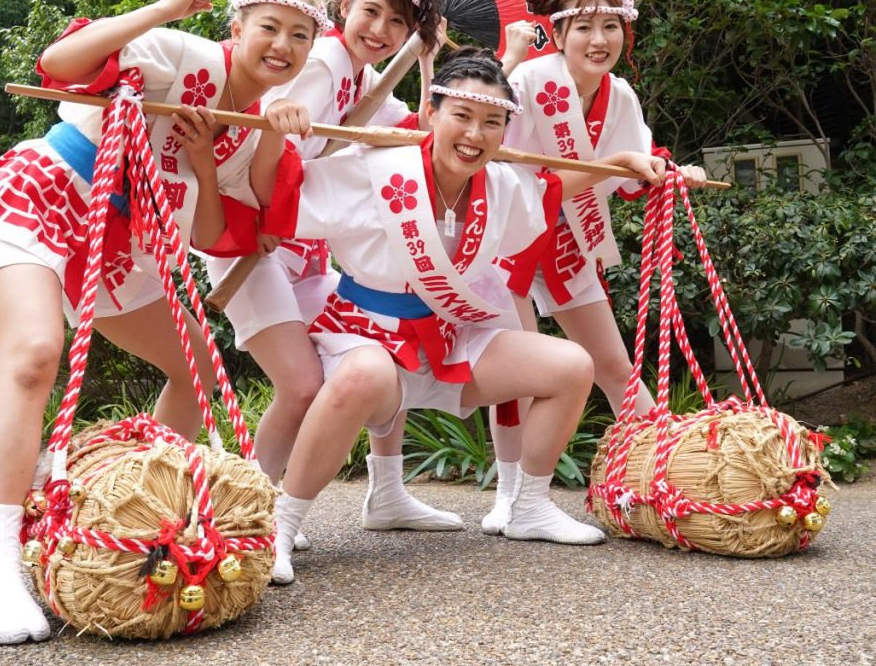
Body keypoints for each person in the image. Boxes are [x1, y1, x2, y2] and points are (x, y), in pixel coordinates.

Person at [0, 0, 332, 644]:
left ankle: (146, 512)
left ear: (313, 49)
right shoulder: (180, 51)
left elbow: (217, 236)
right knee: (35, 354)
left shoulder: (258, 124)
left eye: (299, 36)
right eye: (268, 27)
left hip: (126, 237)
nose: (281, 46)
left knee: (193, 365)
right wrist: (163, 7)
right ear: (237, 24)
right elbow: (61, 61)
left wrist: (206, 166)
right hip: (49, 190)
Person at [253, 48, 668, 584]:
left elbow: (550, 192)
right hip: (363, 336)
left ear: (504, 131)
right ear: (431, 114)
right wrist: (271, 129)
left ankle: (528, 505)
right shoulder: (373, 169)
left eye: (492, 122)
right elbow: (277, 192)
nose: (475, 134)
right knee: (361, 376)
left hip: (449, 336)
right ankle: (281, 526)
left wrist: (618, 164)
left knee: (570, 365)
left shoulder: (500, 184)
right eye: (463, 117)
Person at [207, 0, 463, 537]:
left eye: (398, 22)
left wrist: (426, 60)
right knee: (300, 386)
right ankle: (247, 518)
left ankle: (389, 493)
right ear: (344, 3)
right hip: (255, 242)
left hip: (302, 248)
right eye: (371, 11)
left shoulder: (365, 76)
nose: (379, 29)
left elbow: (422, 134)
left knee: (381, 342)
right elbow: (263, 165)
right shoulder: (322, 63)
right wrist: (275, 220)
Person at [480, 0, 707, 535]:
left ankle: (662, 470)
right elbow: (510, 168)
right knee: (518, 373)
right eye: (583, 27)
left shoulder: (620, 94)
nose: (598, 39)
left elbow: (633, 173)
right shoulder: (531, 80)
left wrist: (669, 173)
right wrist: (628, 160)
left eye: (610, 26)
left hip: (568, 238)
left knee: (614, 365)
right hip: (508, 233)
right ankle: (510, 495)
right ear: (558, 33)